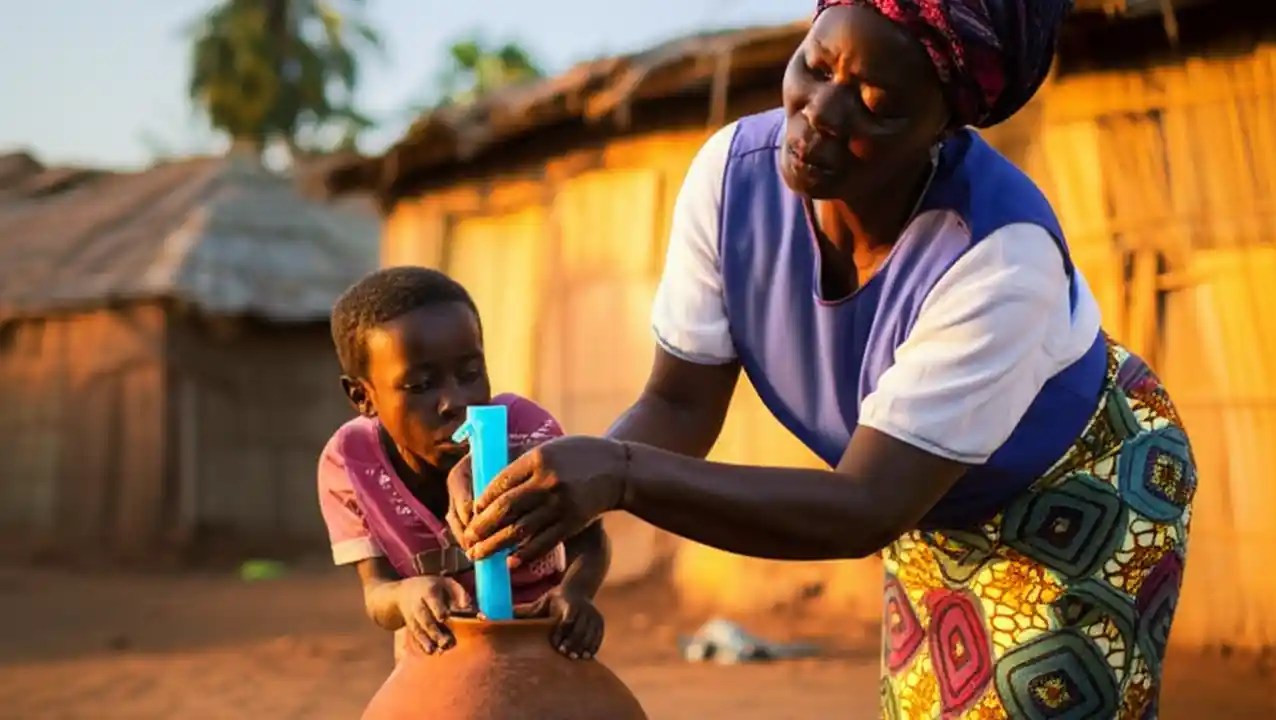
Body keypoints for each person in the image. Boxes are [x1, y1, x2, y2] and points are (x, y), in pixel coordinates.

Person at [452, 1, 1197, 717]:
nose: (822, 114)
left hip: (1078, 493)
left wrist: (617, 474)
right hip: (931, 504)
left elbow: (864, 510)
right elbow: (679, 404)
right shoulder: (730, 180)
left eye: (876, 104)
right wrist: (551, 499)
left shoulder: (996, 255)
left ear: (946, 122)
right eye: (815, 65)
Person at [317, 266, 609, 663]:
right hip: (437, 655)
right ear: (362, 396)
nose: (454, 402)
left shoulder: (526, 433)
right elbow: (377, 592)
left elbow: (589, 539)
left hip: (539, 644)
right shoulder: (351, 463)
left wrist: (573, 593)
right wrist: (406, 596)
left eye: (470, 374)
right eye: (420, 385)